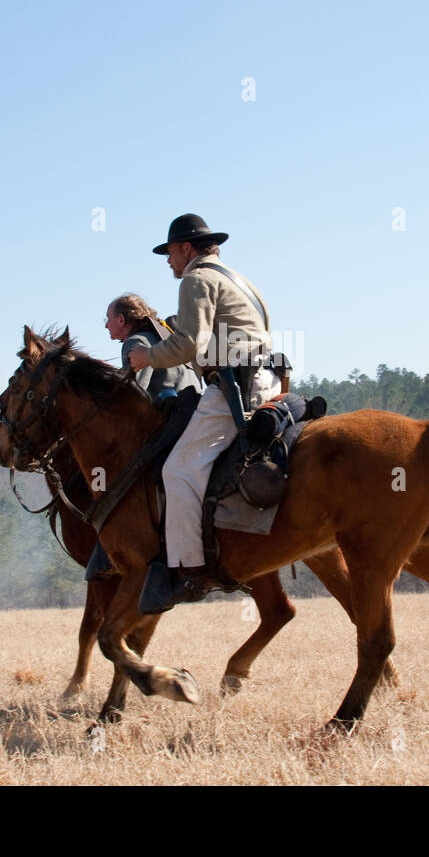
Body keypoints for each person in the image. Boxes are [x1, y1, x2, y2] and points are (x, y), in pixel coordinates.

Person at [128, 213, 280, 611]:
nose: (168, 262)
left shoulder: (197, 279)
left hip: (232, 387)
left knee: (176, 470)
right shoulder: (237, 279)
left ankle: (190, 571)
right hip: (267, 380)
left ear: (185, 249)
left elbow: (189, 346)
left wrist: (147, 357)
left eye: (170, 253)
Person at [84, 293, 201, 582]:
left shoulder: (134, 344)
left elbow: (132, 397)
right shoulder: (160, 337)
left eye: (108, 320)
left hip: (168, 421)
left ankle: (111, 550)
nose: (106, 326)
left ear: (122, 320)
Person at [104, 293, 199, 401]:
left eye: (107, 318)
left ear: (121, 320)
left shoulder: (135, 342)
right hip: (197, 410)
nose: (106, 325)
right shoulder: (163, 338)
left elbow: (133, 393)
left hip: (172, 414)